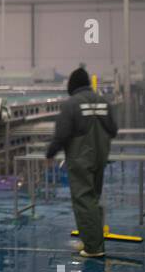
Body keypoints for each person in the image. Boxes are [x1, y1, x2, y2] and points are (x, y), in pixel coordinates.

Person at [45, 67, 118, 259]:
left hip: (80, 158)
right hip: (100, 157)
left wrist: (50, 153)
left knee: (83, 201)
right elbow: (113, 129)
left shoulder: (71, 104)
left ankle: (93, 247)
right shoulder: (103, 102)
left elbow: (62, 134)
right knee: (93, 198)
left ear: (72, 85)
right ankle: (92, 241)